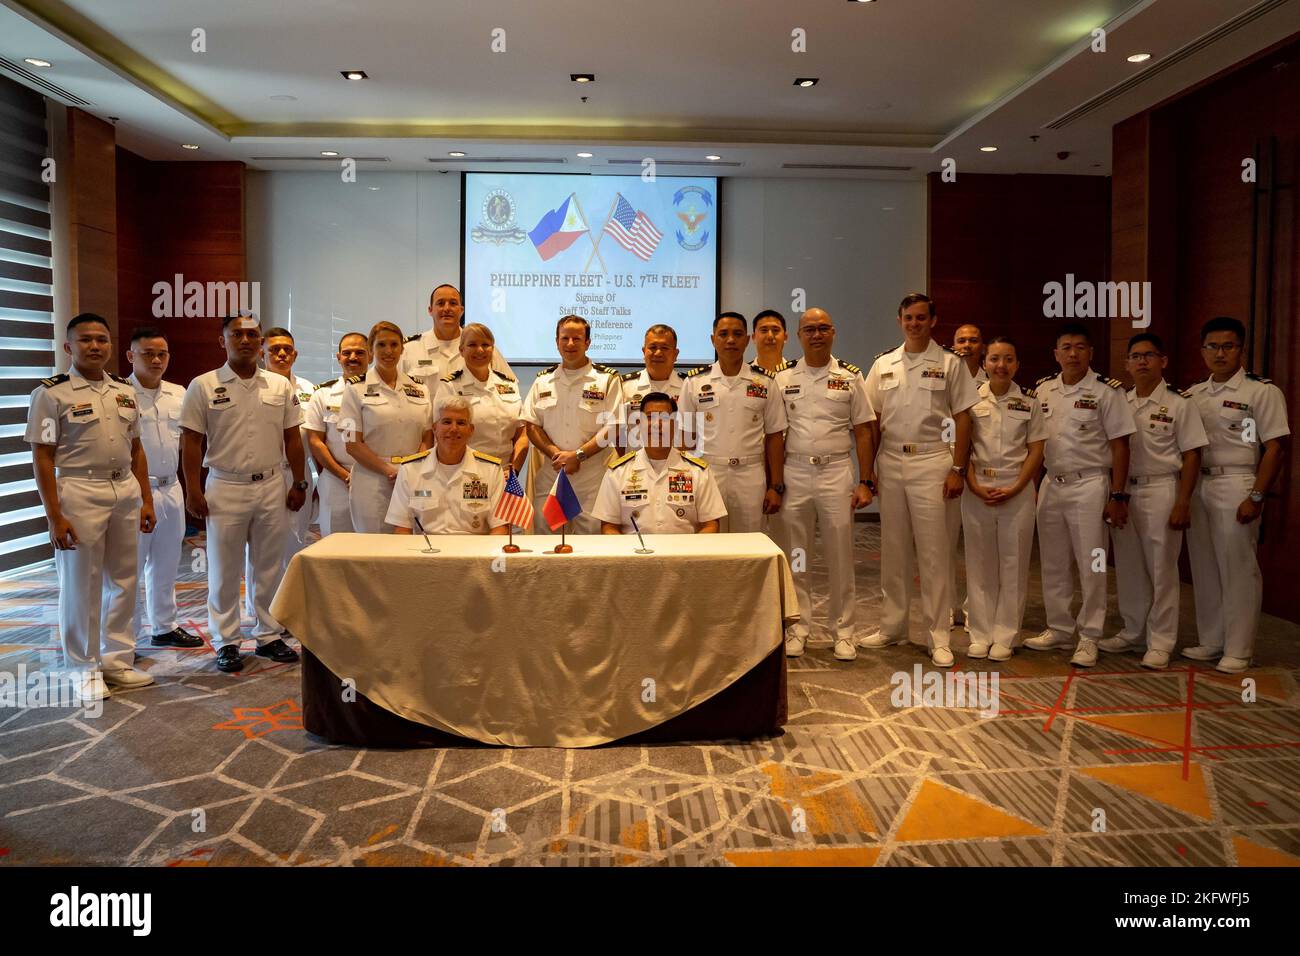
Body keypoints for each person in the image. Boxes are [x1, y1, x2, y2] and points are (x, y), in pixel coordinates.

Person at [27, 313, 157, 701]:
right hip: (79, 490)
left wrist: (146, 499)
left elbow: (136, 448)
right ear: (69, 347)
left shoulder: (123, 390)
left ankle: (117, 660)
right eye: (85, 340)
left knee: (124, 578)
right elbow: (43, 457)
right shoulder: (51, 394)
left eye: (102, 339)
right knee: (82, 583)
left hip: (124, 488)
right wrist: (54, 515)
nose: (95, 346)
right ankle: (82, 668)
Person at [181, 313, 306, 673]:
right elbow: (191, 440)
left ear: (261, 341)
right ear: (223, 341)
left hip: (271, 484)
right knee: (224, 568)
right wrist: (192, 489)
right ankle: (226, 641)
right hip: (224, 485)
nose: (246, 340)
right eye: (238, 334)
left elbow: (292, 438)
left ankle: (268, 635)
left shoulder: (280, 386)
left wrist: (298, 481)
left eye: (253, 334)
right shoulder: (202, 386)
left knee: (269, 565)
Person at [859, 293, 977, 668]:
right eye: (908, 318)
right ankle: (892, 626)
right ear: (899, 321)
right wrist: (869, 470)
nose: (914, 323)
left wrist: (958, 469)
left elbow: (963, 418)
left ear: (933, 321)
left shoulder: (950, 364)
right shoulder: (883, 364)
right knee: (893, 550)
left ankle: (938, 634)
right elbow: (871, 420)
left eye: (921, 318)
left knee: (934, 552)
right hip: (892, 460)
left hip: (933, 461)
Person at [1022, 323, 1135, 667]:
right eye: (1066, 348)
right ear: (1056, 354)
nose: (1073, 354)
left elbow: (1120, 445)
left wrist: (1117, 494)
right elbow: (1035, 444)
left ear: (1091, 353)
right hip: (1052, 485)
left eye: (1080, 347)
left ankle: (1090, 634)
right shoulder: (1043, 391)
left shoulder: (1106, 392)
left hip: (1090, 485)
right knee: (1054, 562)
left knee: (1093, 563)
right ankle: (1058, 626)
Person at [1183, 316, 1290, 673]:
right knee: (1205, 565)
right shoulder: (1194, 394)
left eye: (1228, 346)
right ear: (1202, 351)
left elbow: (1275, 448)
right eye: (1212, 346)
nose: (1220, 353)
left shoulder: (1261, 391)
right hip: (1200, 486)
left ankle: (1239, 648)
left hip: (1238, 483)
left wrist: (1257, 495)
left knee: (1238, 568)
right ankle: (1212, 640)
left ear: (1241, 350)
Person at [1101, 332, 1207, 670]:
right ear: (1127, 363)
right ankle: (1134, 631)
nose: (1142, 361)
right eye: (1136, 355)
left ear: (1163, 361)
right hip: (1123, 492)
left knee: (1162, 569)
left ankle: (1161, 641)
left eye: (1149, 355)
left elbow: (1192, 455)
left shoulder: (1180, 403)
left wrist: (1183, 501)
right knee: (1129, 566)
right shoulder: (1119, 401)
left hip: (1161, 490)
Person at [776, 309, 876, 661]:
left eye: (823, 329)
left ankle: (844, 631)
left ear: (833, 333)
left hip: (836, 473)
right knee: (797, 555)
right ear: (799, 336)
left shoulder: (850, 376)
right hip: (796, 472)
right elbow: (774, 432)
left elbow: (864, 429)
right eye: (809, 330)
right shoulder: (782, 378)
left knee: (839, 553)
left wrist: (865, 480)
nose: (816, 335)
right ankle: (798, 628)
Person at [961, 336, 1046, 661]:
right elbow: (961, 449)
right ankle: (980, 633)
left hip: (1017, 491)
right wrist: (973, 484)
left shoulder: (1030, 404)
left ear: (1016, 365)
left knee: (1013, 565)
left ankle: (1005, 636)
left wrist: (1017, 487)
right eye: (994, 359)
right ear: (984, 363)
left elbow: (1036, 449)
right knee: (980, 564)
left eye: (1008, 359)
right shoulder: (969, 402)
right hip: (977, 489)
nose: (1001, 365)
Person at [127, 326, 201, 650]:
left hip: (171, 487)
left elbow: (187, 442)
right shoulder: (119, 393)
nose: (156, 360)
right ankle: (125, 637)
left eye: (162, 354)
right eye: (148, 354)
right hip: (133, 491)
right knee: (129, 566)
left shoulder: (179, 392)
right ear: (131, 356)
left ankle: (164, 625)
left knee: (168, 561)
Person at [678, 313, 787, 533]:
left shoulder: (765, 382)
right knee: (709, 541)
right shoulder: (694, 382)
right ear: (712, 339)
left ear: (747, 340)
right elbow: (685, 439)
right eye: (723, 334)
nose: (730, 340)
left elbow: (775, 436)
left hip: (751, 474)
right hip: (708, 472)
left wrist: (776, 486)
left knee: (749, 541)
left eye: (737, 335)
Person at [520, 315, 624, 533]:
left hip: (593, 479)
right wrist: (556, 454)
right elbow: (531, 425)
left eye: (577, 339)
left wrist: (578, 456)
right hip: (552, 474)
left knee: (593, 545)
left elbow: (613, 428)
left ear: (587, 342)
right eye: (564, 338)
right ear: (556, 341)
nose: (570, 344)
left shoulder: (607, 380)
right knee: (547, 542)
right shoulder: (542, 381)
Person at [244, 327, 316, 618]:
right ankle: (261, 610)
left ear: (295, 353)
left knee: (296, 542)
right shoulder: (254, 387)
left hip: (300, 474)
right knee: (263, 547)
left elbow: (315, 436)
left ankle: (288, 609)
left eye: (287, 349)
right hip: (269, 474)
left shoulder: (310, 390)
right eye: (274, 349)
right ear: (262, 353)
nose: (282, 354)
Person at [340, 321, 435, 533]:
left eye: (394, 344)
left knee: (415, 541)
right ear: (371, 350)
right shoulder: (355, 389)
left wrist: (415, 468)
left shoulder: (420, 389)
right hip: (373, 480)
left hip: (414, 476)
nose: (388, 351)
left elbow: (427, 436)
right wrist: (389, 472)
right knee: (373, 547)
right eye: (381, 345)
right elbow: (352, 444)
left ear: (402, 349)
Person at [594, 392, 726, 534]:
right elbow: (609, 526)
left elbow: (711, 525)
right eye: (650, 417)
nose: (657, 424)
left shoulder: (698, 471)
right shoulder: (618, 472)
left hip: (684, 553)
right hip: (635, 553)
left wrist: (689, 554)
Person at [385, 397, 510, 535]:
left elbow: (500, 527)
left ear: (471, 430)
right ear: (434, 428)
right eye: (446, 422)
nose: (454, 429)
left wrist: (487, 556)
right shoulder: (410, 469)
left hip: (474, 552)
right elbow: (402, 528)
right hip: (426, 551)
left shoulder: (490, 470)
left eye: (461, 423)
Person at [432, 323, 527, 471]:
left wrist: (514, 470)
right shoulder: (450, 387)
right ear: (461, 350)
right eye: (472, 344)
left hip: (506, 473)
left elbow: (522, 435)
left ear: (493, 349)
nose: (480, 350)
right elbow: (443, 438)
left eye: (485, 344)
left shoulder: (510, 385)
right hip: (466, 473)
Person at [302, 332, 371, 536]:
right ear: (338, 357)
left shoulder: (384, 392)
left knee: (375, 543)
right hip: (336, 479)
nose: (352, 358)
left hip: (375, 477)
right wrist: (344, 476)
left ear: (371, 356)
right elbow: (315, 442)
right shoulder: (323, 394)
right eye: (347, 353)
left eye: (360, 353)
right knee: (334, 540)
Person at [947, 322, 987, 630]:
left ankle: (976, 608)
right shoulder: (943, 377)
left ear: (982, 346)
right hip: (946, 470)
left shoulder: (995, 381)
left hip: (982, 474)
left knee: (978, 546)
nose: (967, 345)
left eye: (973, 340)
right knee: (944, 544)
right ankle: (948, 608)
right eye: (961, 339)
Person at [401, 283, 514, 387]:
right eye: (440, 303)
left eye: (453, 303)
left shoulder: (483, 349)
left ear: (461, 310)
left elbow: (507, 389)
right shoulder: (409, 349)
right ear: (430, 310)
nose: (447, 308)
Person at [618, 324, 684, 452]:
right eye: (653, 347)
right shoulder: (624, 386)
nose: (658, 353)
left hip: (678, 468)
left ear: (675, 354)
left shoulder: (688, 386)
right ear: (644, 352)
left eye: (665, 348)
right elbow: (616, 433)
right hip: (635, 467)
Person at [752, 309, 789, 375]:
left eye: (775, 330)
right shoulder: (742, 374)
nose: (770, 336)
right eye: (764, 330)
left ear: (785, 337)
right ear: (754, 337)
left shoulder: (798, 374)